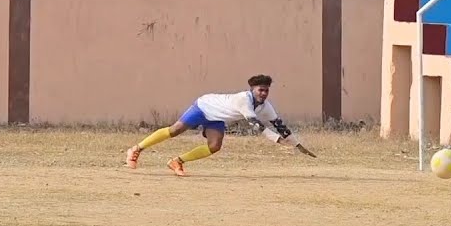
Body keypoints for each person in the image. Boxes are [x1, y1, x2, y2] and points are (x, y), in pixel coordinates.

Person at [124, 74, 316, 176]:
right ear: (252, 89)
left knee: (215, 146)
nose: (263, 94)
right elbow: (254, 124)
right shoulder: (244, 99)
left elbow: (280, 125)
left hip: (216, 118)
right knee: (176, 130)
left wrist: (298, 145)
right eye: (260, 90)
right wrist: (277, 140)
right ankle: (136, 149)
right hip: (204, 106)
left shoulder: (266, 107)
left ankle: (177, 162)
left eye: (266, 90)